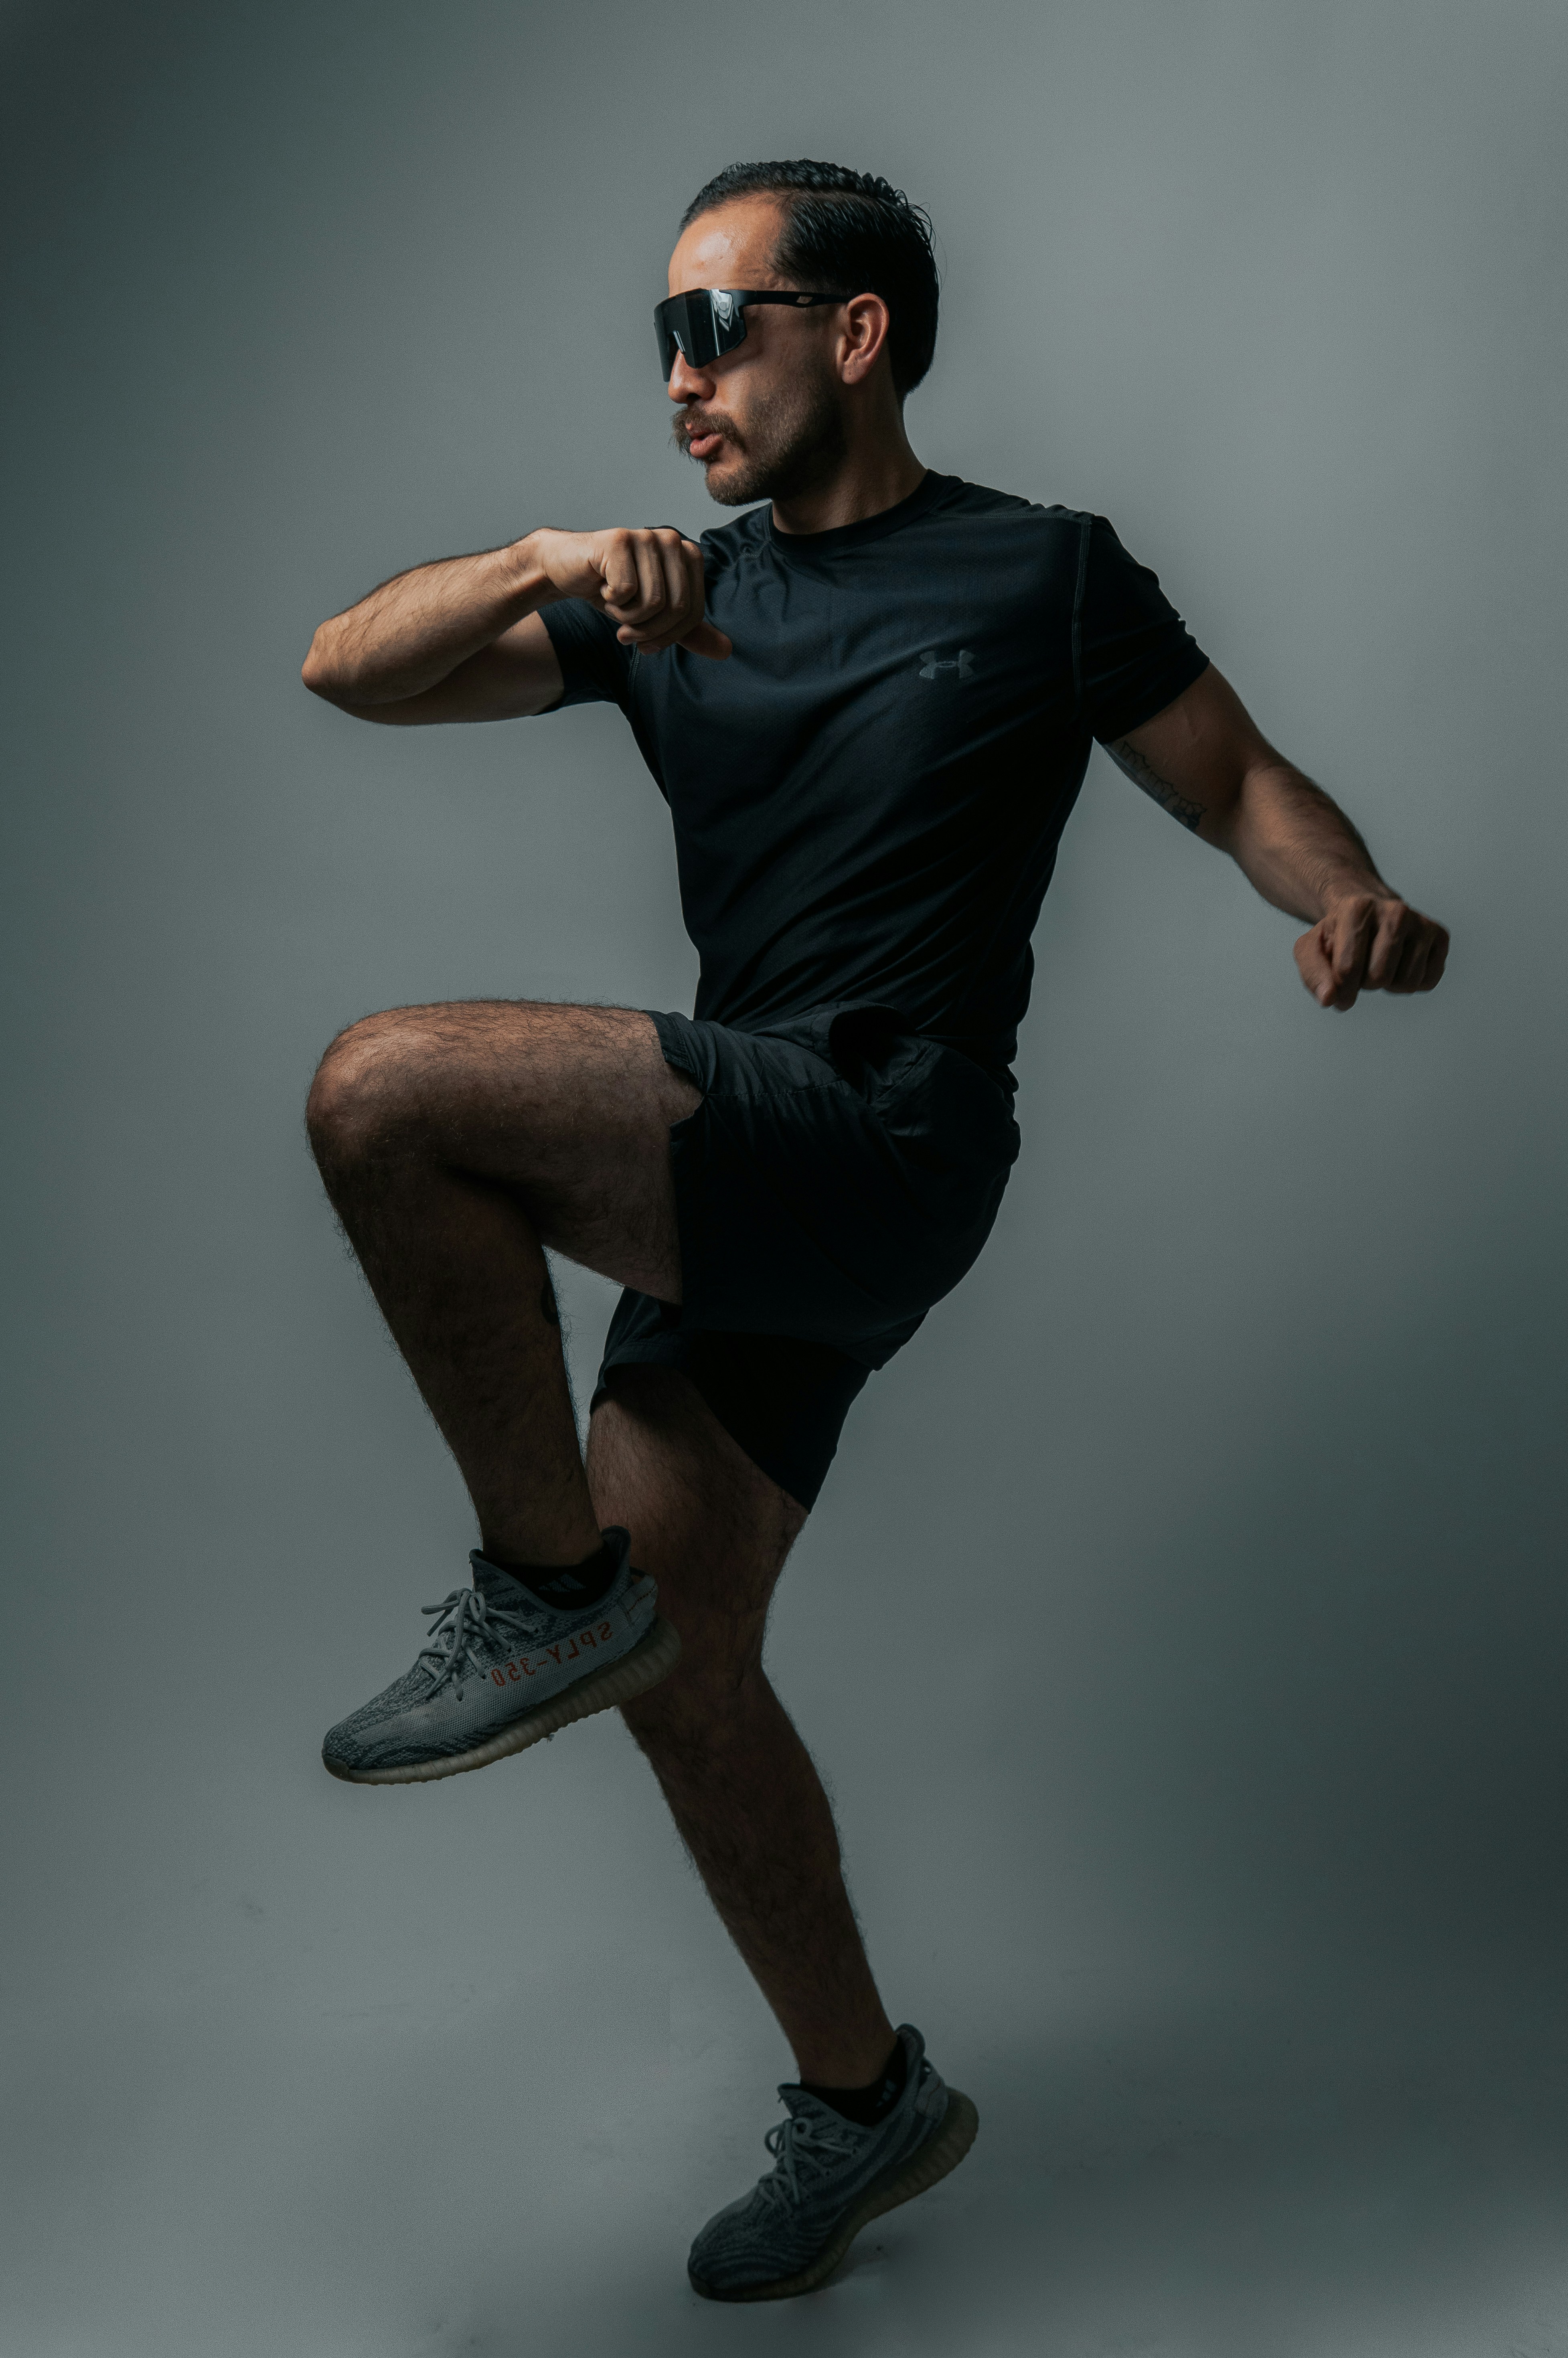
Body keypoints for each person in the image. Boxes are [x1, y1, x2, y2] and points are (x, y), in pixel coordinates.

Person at [299, 158, 1449, 2300]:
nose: (674, 376)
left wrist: (1343, 899)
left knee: (384, 1089)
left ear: (854, 334)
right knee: (688, 1662)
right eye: (651, 333)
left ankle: (534, 1582)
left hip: (884, 1134)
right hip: (736, 1165)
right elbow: (343, 669)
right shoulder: (672, 595)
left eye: (711, 323)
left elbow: (1233, 785)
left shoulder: (1041, 574)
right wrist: (547, 558)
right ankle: (863, 2099)